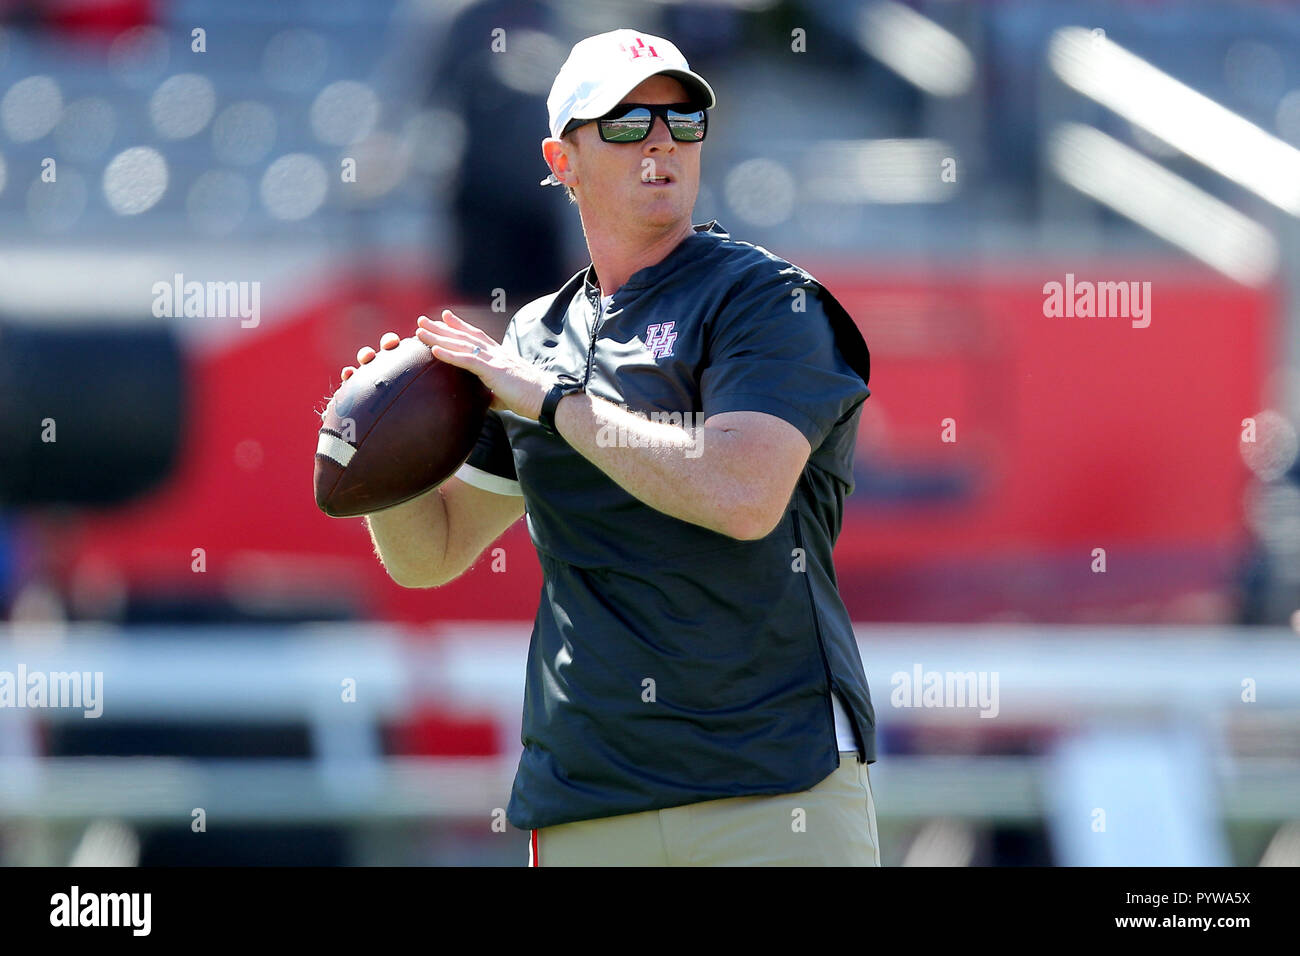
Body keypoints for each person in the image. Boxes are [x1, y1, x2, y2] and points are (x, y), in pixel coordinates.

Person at [341, 29, 879, 866]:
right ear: (563, 160)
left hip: (773, 783)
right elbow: (432, 554)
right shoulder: (535, 336)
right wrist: (382, 447)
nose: (660, 140)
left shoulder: (767, 302)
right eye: (626, 122)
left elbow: (741, 495)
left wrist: (553, 404)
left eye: (681, 118)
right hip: (590, 795)